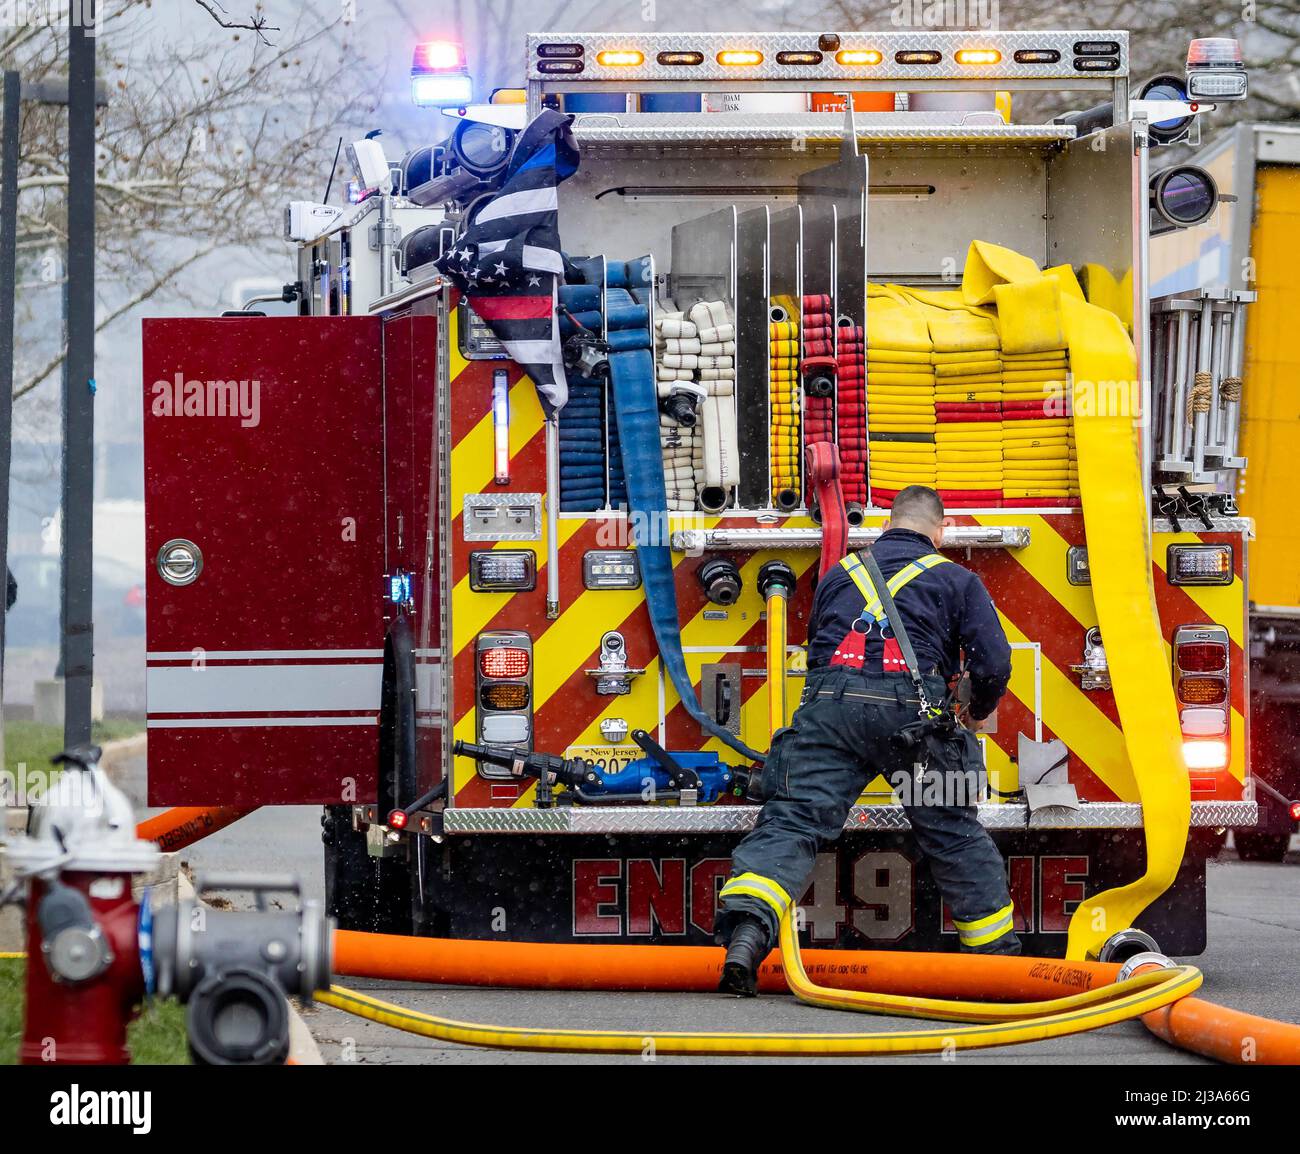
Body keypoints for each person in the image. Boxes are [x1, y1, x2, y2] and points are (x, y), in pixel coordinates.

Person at [716, 484, 1018, 995]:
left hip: (833, 713)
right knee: (953, 834)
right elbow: (994, 664)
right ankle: (998, 969)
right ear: (941, 530)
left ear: (886, 523)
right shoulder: (958, 579)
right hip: (915, 725)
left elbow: (818, 653)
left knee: (793, 821)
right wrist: (976, 711)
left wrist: (835, 713)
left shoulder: (841, 573)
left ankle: (747, 932)